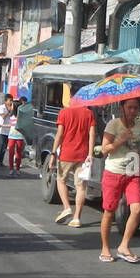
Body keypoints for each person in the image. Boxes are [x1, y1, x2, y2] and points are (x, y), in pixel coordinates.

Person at [99, 97, 140, 263]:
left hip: (132, 174)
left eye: (136, 108)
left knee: (138, 208)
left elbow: (139, 151)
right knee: (109, 212)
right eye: (130, 107)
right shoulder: (113, 125)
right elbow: (104, 150)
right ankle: (105, 247)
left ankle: (123, 246)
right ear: (122, 108)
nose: (133, 111)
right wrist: (121, 139)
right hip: (114, 173)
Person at [51, 82, 96, 227]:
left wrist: (53, 153)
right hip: (82, 155)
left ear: (71, 95)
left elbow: (59, 134)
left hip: (66, 153)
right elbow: (92, 135)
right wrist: (90, 154)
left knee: (61, 180)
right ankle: (76, 218)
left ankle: (66, 208)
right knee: (81, 187)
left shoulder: (64, 112)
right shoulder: (89, 113)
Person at [0, 94, 14, 165]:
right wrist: (8, 110)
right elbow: (2, 116)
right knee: (1, 145)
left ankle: (0, 161)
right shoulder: (1, 107)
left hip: (8, 130)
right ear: (5, 101)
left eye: (12, 100)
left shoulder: (11, 108)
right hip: (1, 129)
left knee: (5, 146)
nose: (11, 102)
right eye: (10, 100)